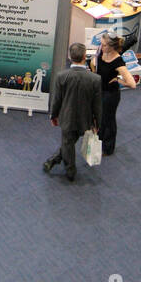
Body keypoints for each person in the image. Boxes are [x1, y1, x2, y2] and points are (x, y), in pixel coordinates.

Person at [41, 43, 102, 182]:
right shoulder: (95, 79)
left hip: (66, 117)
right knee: (69, 142)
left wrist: (53, 115)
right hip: (85, 119)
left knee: (68, 142)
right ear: (84, 57)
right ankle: (54, 160)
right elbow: (97, 105)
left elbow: (57, 99)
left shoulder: (61, 76)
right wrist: (97, 122)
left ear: (70, 57)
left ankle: (70, 171)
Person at [96, 36, 136, 156]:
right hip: (100, 90)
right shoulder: (103, 51)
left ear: (111, 47)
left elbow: (132, 84)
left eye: (103, 45)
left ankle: (108, 148)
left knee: (108, 120)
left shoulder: (118, 63)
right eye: (101, 44)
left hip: (110, 95)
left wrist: (119, 80)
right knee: (100, 118)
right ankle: (99, 140)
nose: (100, 47)